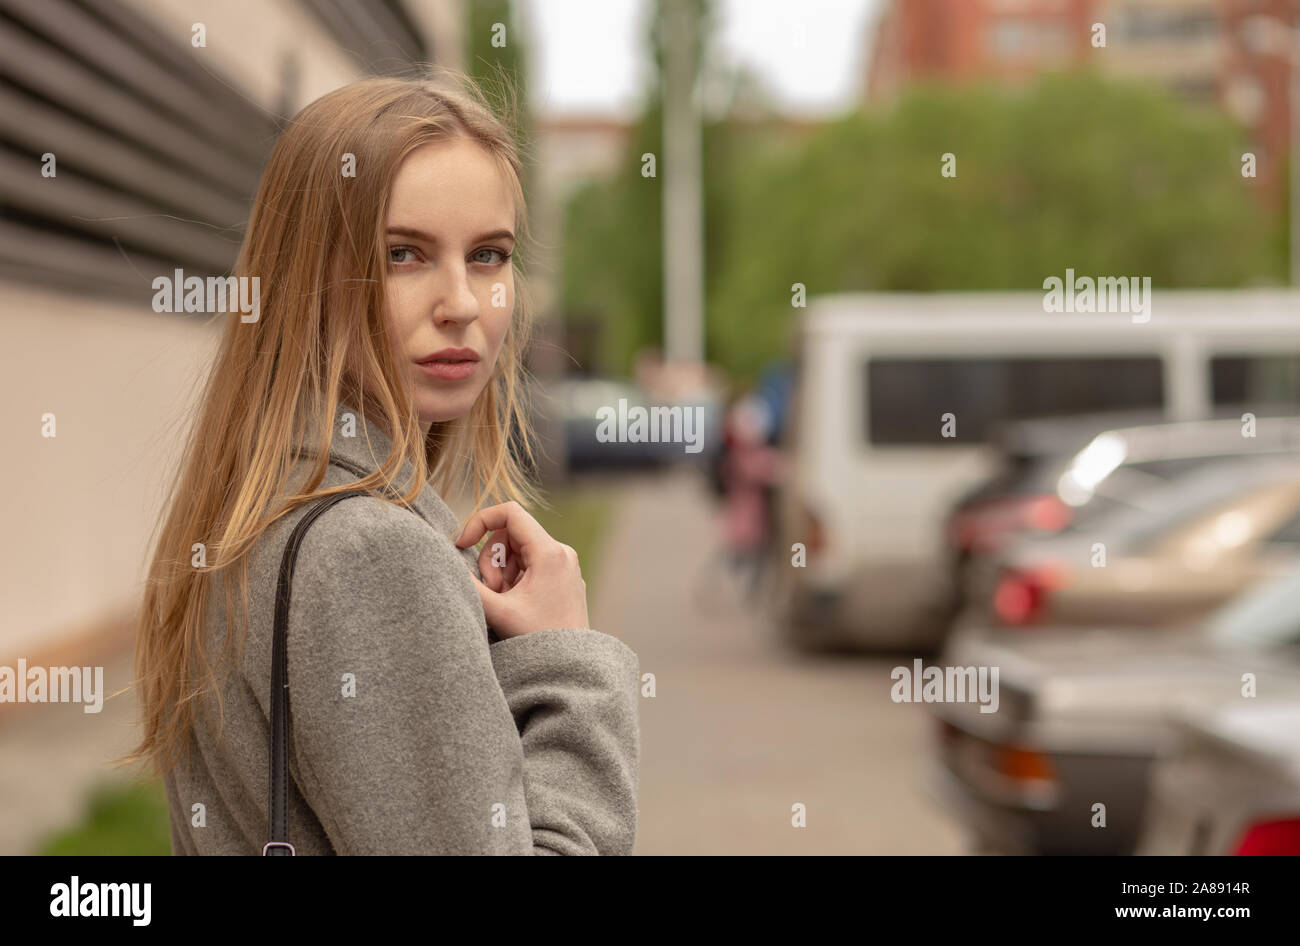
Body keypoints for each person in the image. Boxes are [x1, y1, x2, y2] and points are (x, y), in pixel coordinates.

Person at [122, 72, 641, 855]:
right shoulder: (371, 556)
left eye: (489, 256)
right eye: (403, 255)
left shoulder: (256, 512)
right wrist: (566, 660)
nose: (462, 302)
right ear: (307, 282)